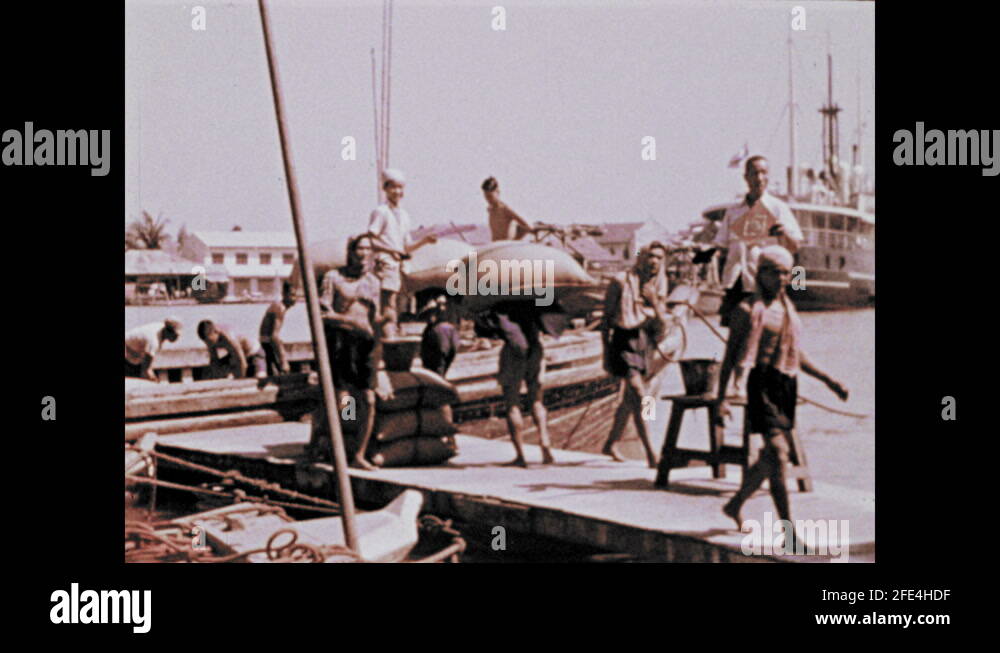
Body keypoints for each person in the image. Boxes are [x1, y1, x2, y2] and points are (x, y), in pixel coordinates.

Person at [715, 245, 849, 547]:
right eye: (773, 272)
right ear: (759, 274)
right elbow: (729, 357)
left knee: (769, 458)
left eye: (786, 272)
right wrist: (720, 398)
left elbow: (795, 353)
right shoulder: (746, 311)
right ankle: (788, 533)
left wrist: (829, 380)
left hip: (786, 384)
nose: (781, 278)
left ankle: (735, 504)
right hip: (760, 383)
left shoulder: (788, 308)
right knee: (778, 454)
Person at [315, 234, 387, 470]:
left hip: (365, 344)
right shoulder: (334, 278)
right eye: (360, 249)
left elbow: (373, 317)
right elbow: (323, 315)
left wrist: (386, 319)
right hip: (341, 343)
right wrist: (348, 321)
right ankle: (342, 446)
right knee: (344, 401)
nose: (364, 253)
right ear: (351, 251)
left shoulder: (374, 281)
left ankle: (359, 453)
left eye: (368, 249)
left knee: (368, 398)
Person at [599, 243, 670, 468]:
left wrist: (653, 301)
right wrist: (605, 354)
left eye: (659, 257)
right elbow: (606, 321)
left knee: (636, 399)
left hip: (647, 342)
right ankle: (651, 453)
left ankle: (611, 442)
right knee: (640, 394)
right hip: (624, 340)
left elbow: (663, 321)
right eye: (650, 256)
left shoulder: (659, 284)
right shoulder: (620, 281)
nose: (654, 262)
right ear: (641, 258)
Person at [713, 155, 804, 326]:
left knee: (764, 327)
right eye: (754, 173)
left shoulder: (778, 208)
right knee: (735, 332)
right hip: (736, 281)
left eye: (763, 173)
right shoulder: (733, 211)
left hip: (764, 283)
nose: (759, 178)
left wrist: (784, 233)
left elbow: (796, 246)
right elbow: (722, 246)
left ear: (769, 176)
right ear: (746, 177)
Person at [476, 301, 568, 466]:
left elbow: (487, 328)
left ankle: (520, 456)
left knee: (512, 403)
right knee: (537, 400)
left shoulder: (503, 299)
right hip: (535, 347)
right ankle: (545, 444)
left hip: (514, 350)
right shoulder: (535, 296)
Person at [366, 168, 436, 338]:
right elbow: (371, 239)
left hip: (397, 264)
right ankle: (388, 338)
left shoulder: (404, 215)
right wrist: (391, 250)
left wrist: (425, 240)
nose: (397, 192)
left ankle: (389, 337)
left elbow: (406, 246)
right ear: (386, 189)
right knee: (387, 304)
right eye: (393, 188)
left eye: (400, 188)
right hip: (385, 263)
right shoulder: (381, 212)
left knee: (396, 305)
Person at [197, 320, 267, 379]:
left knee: (259, 377)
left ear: (216, 332)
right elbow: (214, 361)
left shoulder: (229, 337)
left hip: (254, 354)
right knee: (212, 371)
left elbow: (241, 362)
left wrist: (240, 380)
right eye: (206, 342)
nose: (210, 344)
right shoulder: (209, 336)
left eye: (210, 341)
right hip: (237, 355)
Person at [259, 280, 296, 376]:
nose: (294, 299)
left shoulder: (278, 306)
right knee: (281, 373)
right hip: (268, 345)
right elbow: (274, 336)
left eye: (296, 296)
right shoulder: (280, 308)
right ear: (284, 294)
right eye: (291, 295)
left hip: (266, 343)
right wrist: (283, 359)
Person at [419, 294, 460, 378]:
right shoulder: (448, 327)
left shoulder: (433, 329)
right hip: (447, 338)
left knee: (437, 371)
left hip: (439, 340)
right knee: (440, 370)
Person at [482, 176, 532, 241]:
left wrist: (514, 240)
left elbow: (528, 226)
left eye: (490, 196)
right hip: (495, 246)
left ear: (497, 192)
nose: (488, 200)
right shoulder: (490, 209)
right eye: (486, 197)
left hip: (506, 247)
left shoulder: (505, 209)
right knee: (472, 251)